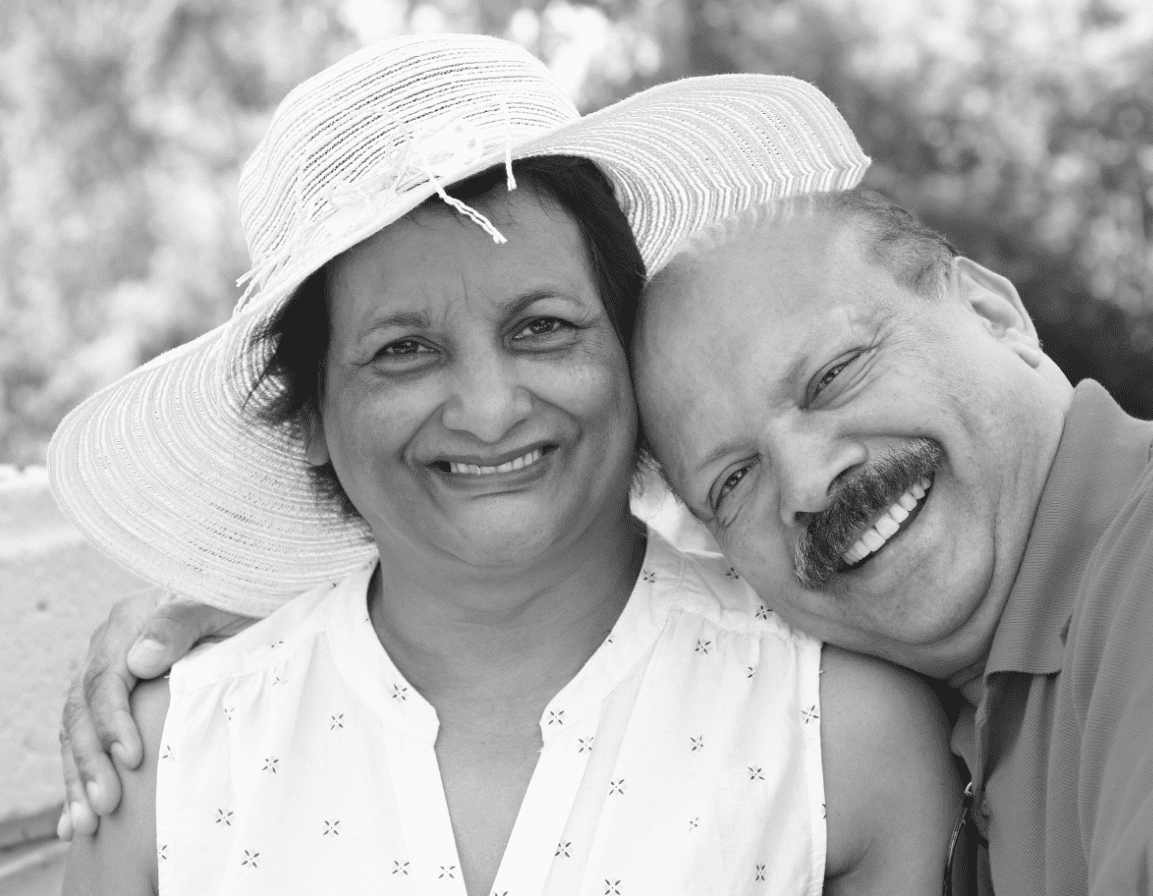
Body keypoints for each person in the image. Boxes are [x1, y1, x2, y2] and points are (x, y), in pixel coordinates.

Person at [51, 35, 959, 896]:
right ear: (313, 416)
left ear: (626, 352)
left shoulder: (842, 732)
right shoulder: (164, 765)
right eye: (403, 349)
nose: (489, 409)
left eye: (543, 327)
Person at [628, 188, 1153, 895]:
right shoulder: (911, 765)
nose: (807, 484)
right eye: (733, 481)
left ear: (994, 317)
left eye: (832, 376)